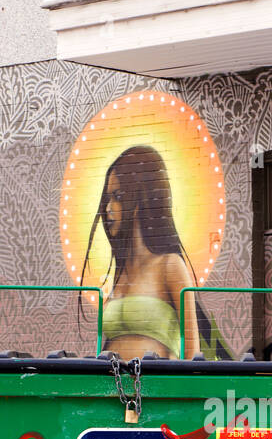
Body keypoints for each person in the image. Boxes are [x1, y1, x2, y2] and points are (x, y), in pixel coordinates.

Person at [79, 145, 201, 360]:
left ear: (141, 199)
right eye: (108, 198)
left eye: (118, 196)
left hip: (157, 389)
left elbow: (192, 350)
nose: (108, 208)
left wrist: (184, 391)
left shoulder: (169, 266)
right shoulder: (118, 275)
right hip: (112, 389)